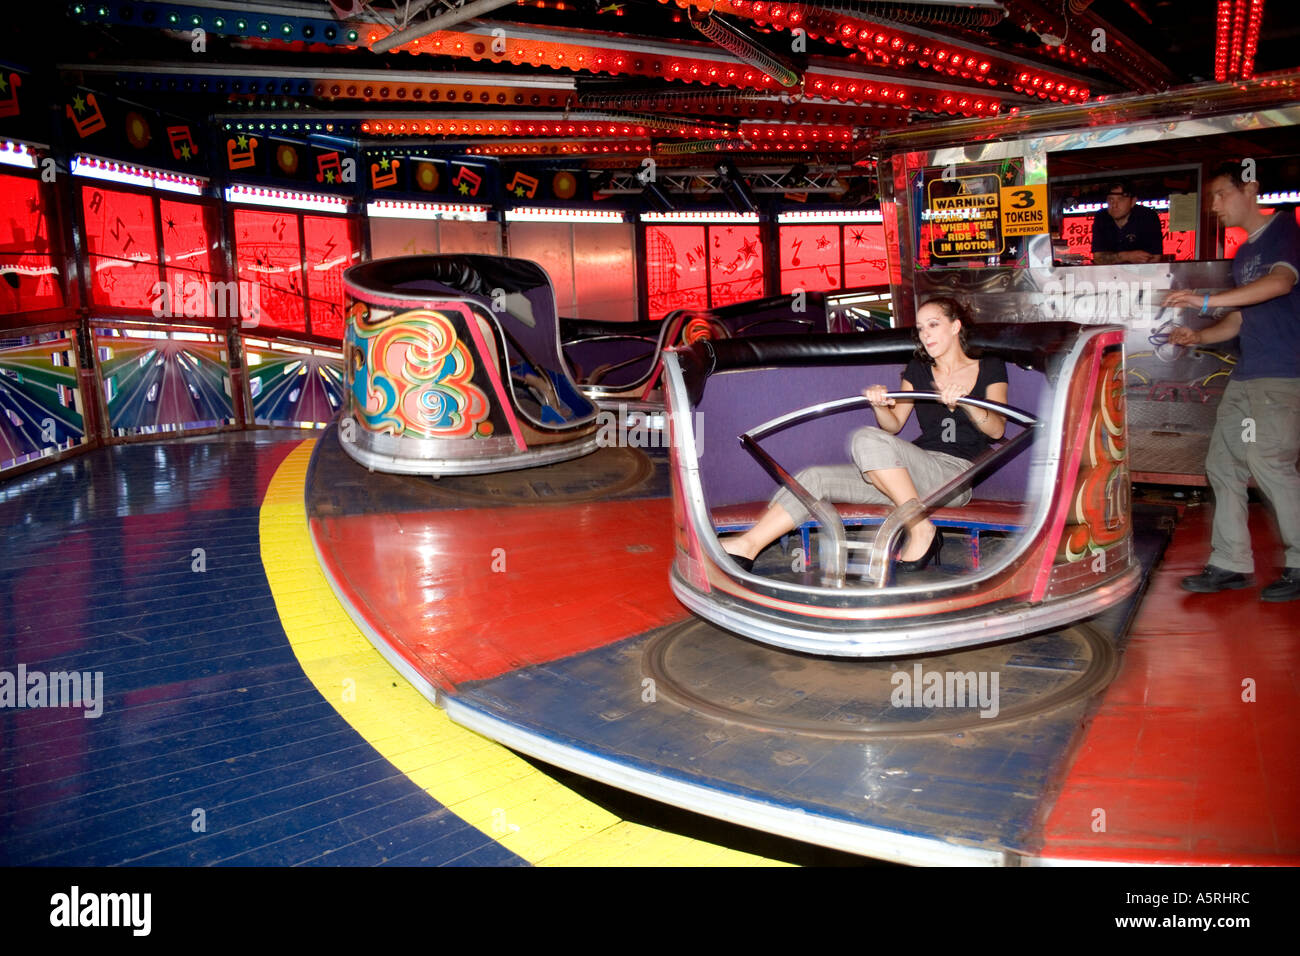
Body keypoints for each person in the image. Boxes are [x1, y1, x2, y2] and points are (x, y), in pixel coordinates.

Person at [721, 296, 1007, 574]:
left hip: (955, 476)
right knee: (814, 477)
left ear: (955, 326)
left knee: (864, 438)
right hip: (912, 474)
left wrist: (967, 402)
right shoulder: (918, 368)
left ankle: (919, 526)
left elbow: (997, 429)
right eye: (920, 328)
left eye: (933, 325)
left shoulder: (988, 365)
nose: (925, 335)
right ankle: (748, 545)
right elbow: (892, 426)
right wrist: (880, 407)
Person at [1164, 161, 1300, 602]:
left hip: (1282, 375)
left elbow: (1280, 284)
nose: (1215, 205)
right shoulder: (1244, 253)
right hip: (1248, 374)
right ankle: (1231, 563)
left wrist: (1206, 298)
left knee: (1270, 462)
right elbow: (1241, 317)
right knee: (1223, 464)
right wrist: (1199, 334)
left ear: (1252, 189)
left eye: (1222, 194)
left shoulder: (1287, 232)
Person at [1091, 180, 1164, 264]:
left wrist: (1115, 258)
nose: (1114, 205)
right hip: (1109, 275)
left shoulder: (1147, 217)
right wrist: (1128, 256)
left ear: (1133, 202)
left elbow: (1154, 258)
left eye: (1120, 200)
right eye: (1110, 199)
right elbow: (1098, 258)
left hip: (1142, 275)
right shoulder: (1101, 217)